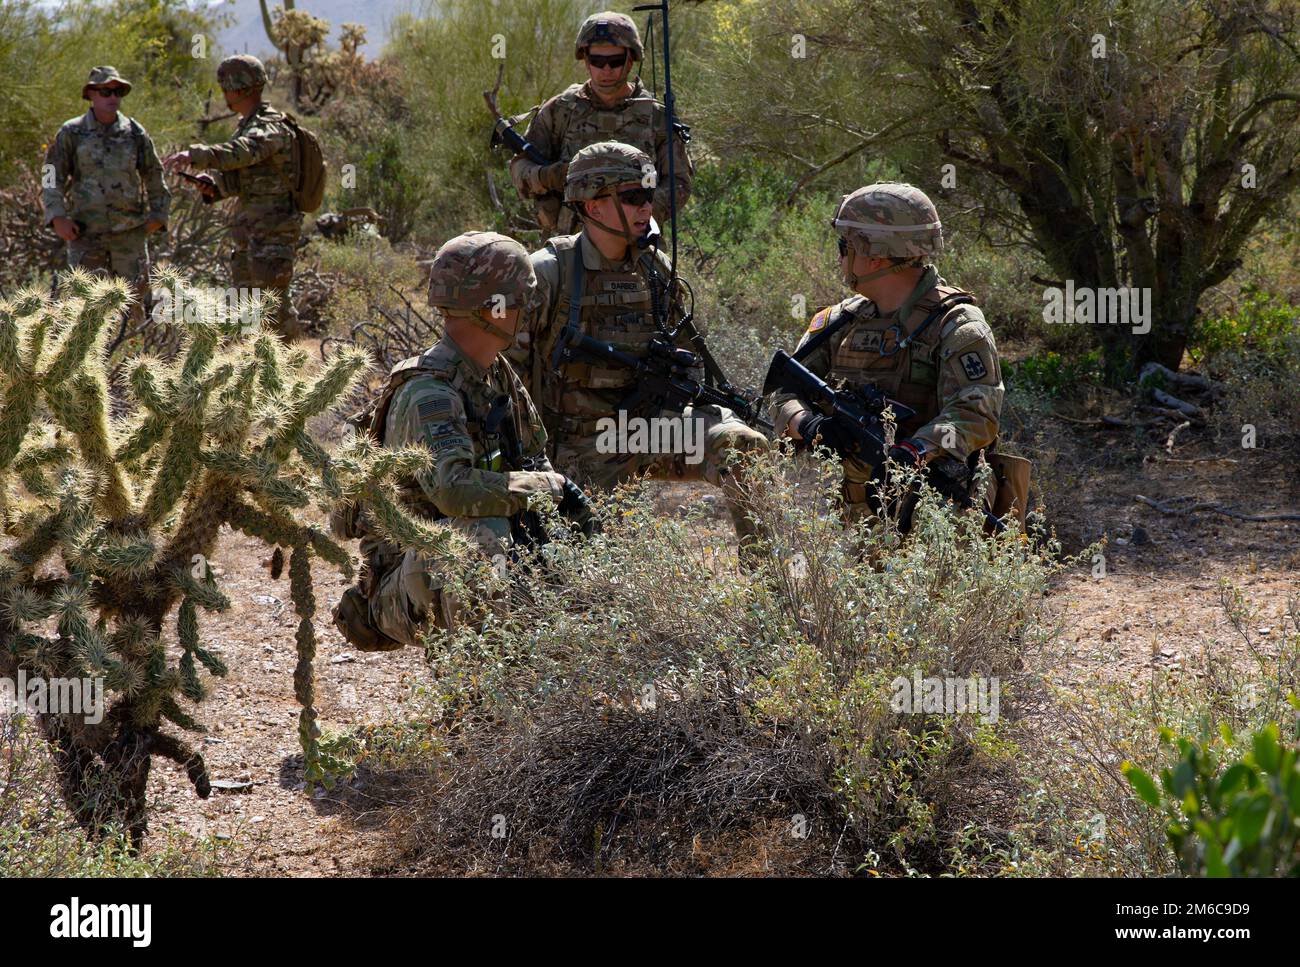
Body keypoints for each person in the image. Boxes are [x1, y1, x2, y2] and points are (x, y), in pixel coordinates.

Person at [332, 231, 594, 649]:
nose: (528, 310)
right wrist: (550, 489)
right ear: (492, 308)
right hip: (401, 582)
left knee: (582, 533)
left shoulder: (497, 372)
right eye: (521, 299)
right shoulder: (430, 393)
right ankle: (472, 699)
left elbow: (533, 461)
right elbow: (454, 492)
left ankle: (551, 681)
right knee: (478, 538)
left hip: (469, 555)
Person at [516, 141, 766, 558]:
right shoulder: (548, 273)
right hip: (574, 449)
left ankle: (771, 598)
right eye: (632, 197)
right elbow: (507, 379)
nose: (646, 208)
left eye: (649, 195)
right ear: (592, 206)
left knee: (743, 445)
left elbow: (686, 352)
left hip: (645, 431)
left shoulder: (654, 269)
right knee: (598, 581)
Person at [771, 183, 1015, 529]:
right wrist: (807, 425)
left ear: (875, 254)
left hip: (935, 495)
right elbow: (782, 392)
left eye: (845, 246)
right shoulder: (837, 323)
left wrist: (912, 452)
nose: (839, 257)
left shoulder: (957, 325)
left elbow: (976, 413)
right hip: (853, 501)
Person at [509, 11, 693, 235]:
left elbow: (679, 183)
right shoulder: (560, 110)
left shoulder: (656, 116)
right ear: (586, 59)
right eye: (597, 61)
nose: (606, 69)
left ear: (630, 59)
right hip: (569, 244)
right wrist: (549, 176)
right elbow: (520, 171)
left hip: (637, 245)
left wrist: (637, 213)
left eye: (615, 61)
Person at [162, 55, 303, 339]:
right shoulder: (248, 124)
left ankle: (290, 372)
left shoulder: (269, 125)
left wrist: (197, 154)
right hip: (249, 234)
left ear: (237, 89)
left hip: (272, 234)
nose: (224, 93)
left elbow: (246, 150)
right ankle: (257, 372)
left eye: (225, 87)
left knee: (273, 307)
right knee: (249, 310)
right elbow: (247, 178)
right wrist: (215, 187)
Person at [42, 66, 169, 324]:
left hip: (129, 237)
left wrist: (159, 214)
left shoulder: (134, 133)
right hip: (86, 235)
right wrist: (57, 216)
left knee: (135, 309)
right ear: (91, 94)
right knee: (84, 311)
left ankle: (135, 360)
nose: (113, 97)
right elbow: (50, 175)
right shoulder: (72, 132)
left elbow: (154, 173)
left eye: (118, 91)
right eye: (105, 91)